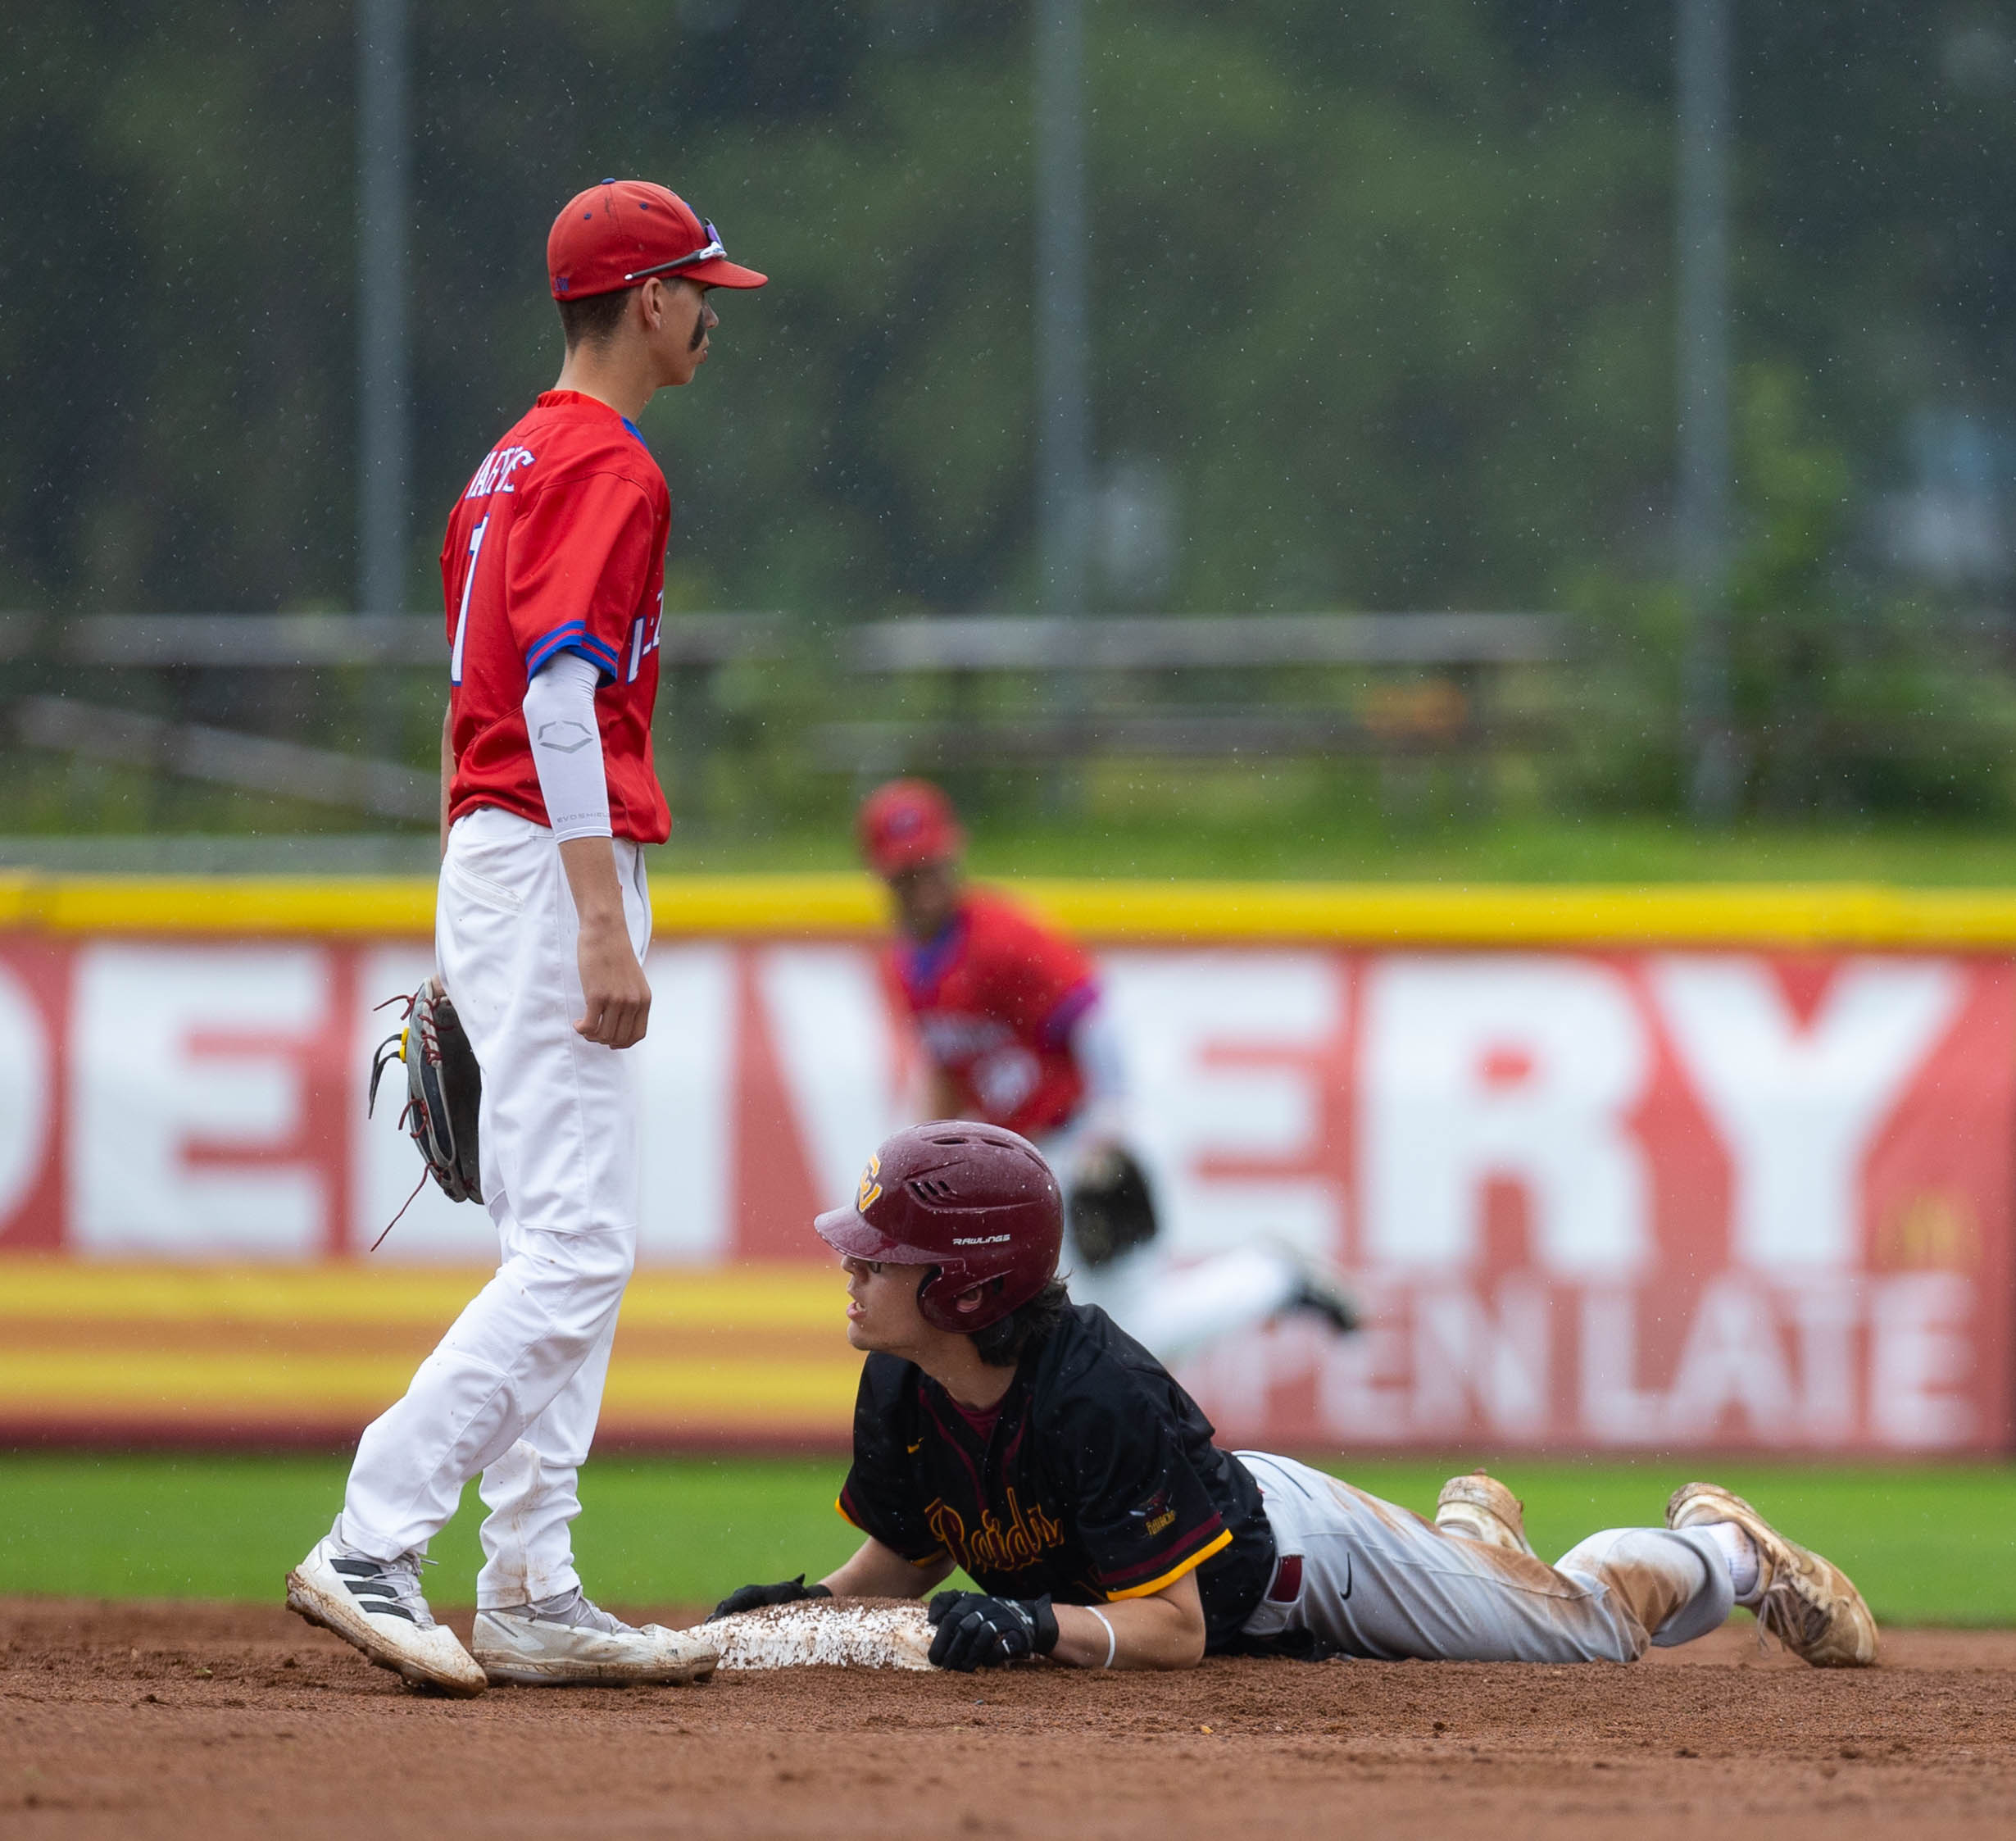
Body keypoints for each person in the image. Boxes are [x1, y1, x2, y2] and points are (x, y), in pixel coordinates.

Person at [286, 180, 766, 1695]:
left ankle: (536, 1581)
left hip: (500, 851)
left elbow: (463, 707)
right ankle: (373, 1533)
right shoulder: (608, 465)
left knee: (572, 1243)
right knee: (570, 1251)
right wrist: (585, 918)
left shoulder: (503, 464)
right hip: (557, 858)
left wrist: (468, 910)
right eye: (698, 291)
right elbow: (556, 698)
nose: (709, 313)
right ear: (644, 304)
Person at [708, 1122, 1878, 1675]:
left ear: (966, 1278)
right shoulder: (903, 1384)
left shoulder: (1095, 1390)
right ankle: (1473, 1534)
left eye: (879, 1254)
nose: (851, 1268)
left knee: (1586, 1637)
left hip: (1306, 1564)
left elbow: (1175, 1629)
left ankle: (1722, 1549)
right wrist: (807, 1603)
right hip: (1222, 1582)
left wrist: (1031, 1623)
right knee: (1518, 1614)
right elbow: (909, 1556)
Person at [856, 778, 1357, 1363]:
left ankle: (1272, 1277)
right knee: (1054, 1340)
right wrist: (914, 1165)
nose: (922, 885)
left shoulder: (1001, 936)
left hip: (1088, 1136)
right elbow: (945, 1071)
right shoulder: (904, 967)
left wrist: (1111, 1130)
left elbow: (1097, 1021)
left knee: (1123, 1341)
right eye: (906, 873)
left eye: (930, 867)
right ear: (883, 878)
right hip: (1028, 1167)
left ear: (953, 859)